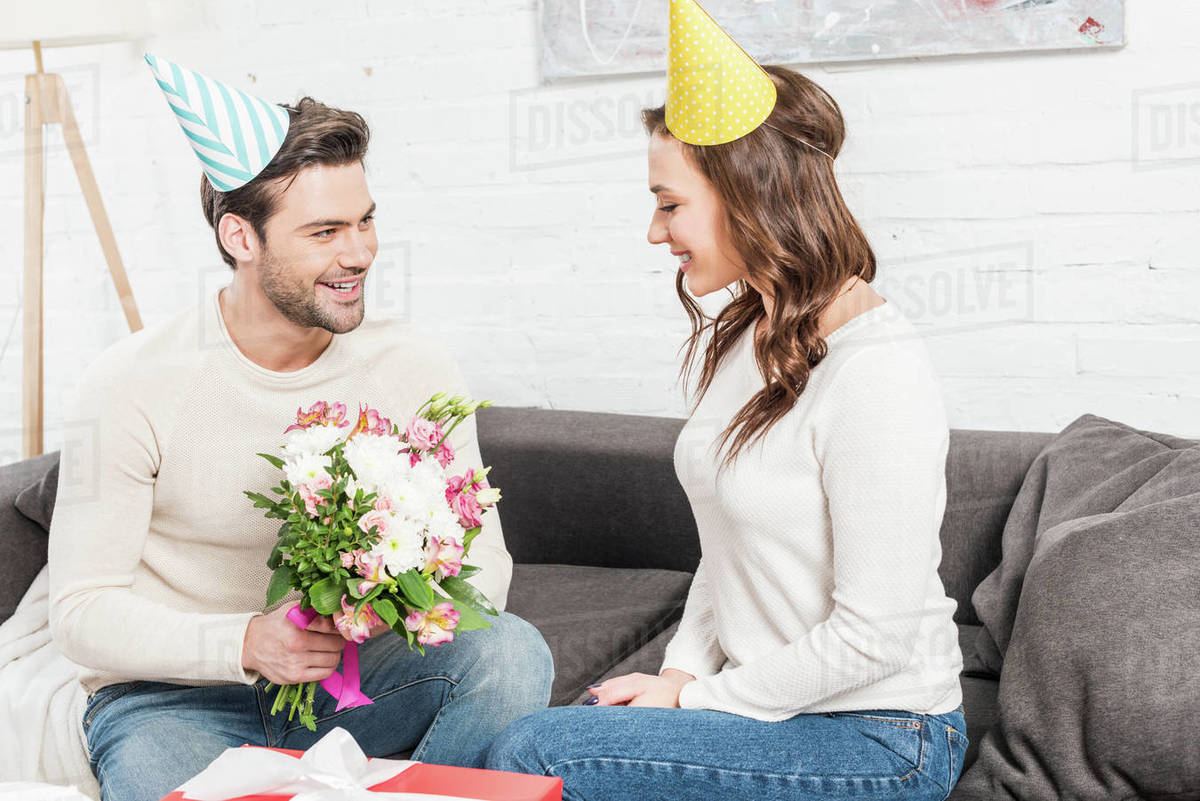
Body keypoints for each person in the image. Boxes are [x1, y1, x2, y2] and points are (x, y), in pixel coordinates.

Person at [485, 2, 967, 799]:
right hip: (775, 708)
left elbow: (875, 639)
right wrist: (677, 670)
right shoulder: (750, 334)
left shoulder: (879, 371)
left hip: (885, 734)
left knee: (538, 751)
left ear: (749, 192)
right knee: (567, 730)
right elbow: (728, 539)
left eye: (669, 203)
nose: (653, 231)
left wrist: (697, 698)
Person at [48, 55, 552, 801]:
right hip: (175, 702)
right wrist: (247, 641)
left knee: (510, 655)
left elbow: (487, 569)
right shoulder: (125, 384)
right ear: (239, 238)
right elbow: (81, 613)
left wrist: (384, 605)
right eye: (324, 231)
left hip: (355, 683)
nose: (359, 253)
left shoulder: (415, 367)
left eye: (366, 220)